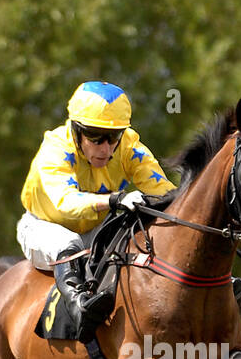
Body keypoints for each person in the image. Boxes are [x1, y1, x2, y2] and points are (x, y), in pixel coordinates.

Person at [18, 80, 177, 331]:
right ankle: (79, 307)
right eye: (95, 137)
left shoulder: (129, 146)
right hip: (43, 226)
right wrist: (115, 199)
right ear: (76, 131)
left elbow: (166, 193)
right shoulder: (56, 148)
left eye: (113, 137)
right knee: (67, 243)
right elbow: (66, 202)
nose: (106, 148)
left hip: (94, 229)